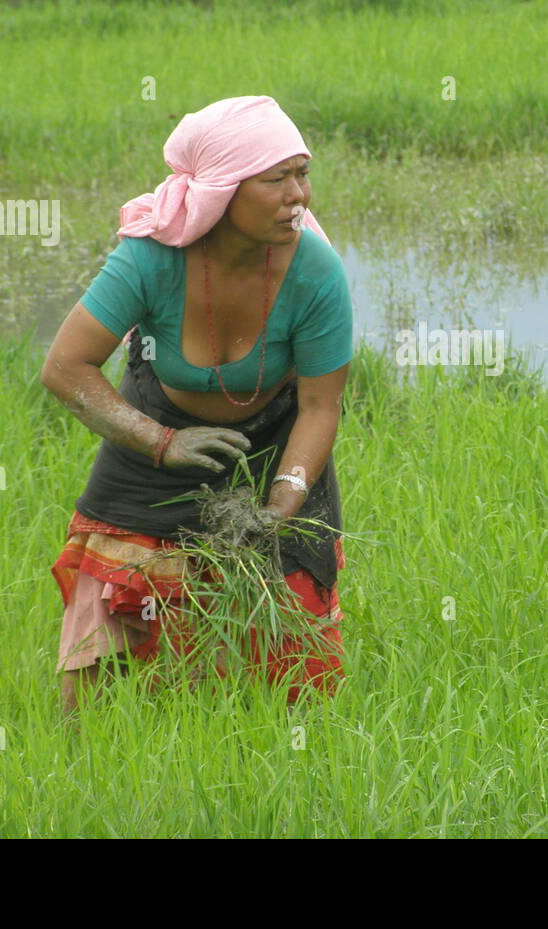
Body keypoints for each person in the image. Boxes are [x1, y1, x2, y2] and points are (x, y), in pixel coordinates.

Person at [41, 96, 352, 713]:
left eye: (303, 173)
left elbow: (320, 407)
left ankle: (279, 769)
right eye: (277, 178)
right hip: (149, 440)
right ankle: (86, 767)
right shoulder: (152, 255)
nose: (300, 195)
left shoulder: (316, 271)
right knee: (109, 635)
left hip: (275, 446)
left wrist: (280, 505)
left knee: (293, 648)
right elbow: (65, 368)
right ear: (221, 191)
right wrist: (161, 442)